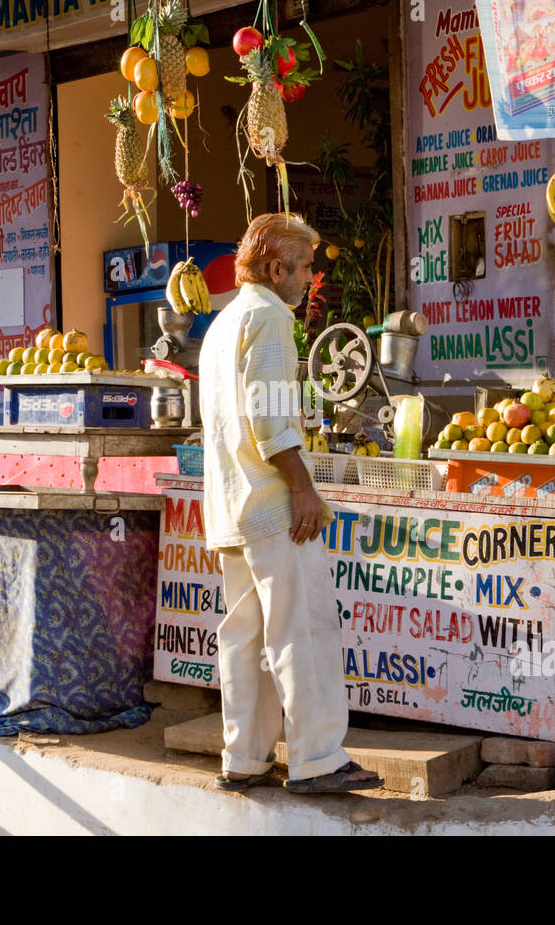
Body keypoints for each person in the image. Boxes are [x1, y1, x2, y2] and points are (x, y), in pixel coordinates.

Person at [198, 212, 382, 795]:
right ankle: (318, 759)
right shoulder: (269, 317)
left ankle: (244, 759)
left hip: (231, 508)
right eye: (303, 267)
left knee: (247, 640)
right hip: (273, 506)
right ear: (275, 267)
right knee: (302, 631)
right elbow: (272, 421)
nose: (308, 280)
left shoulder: (224, 321)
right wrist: (303, 487)